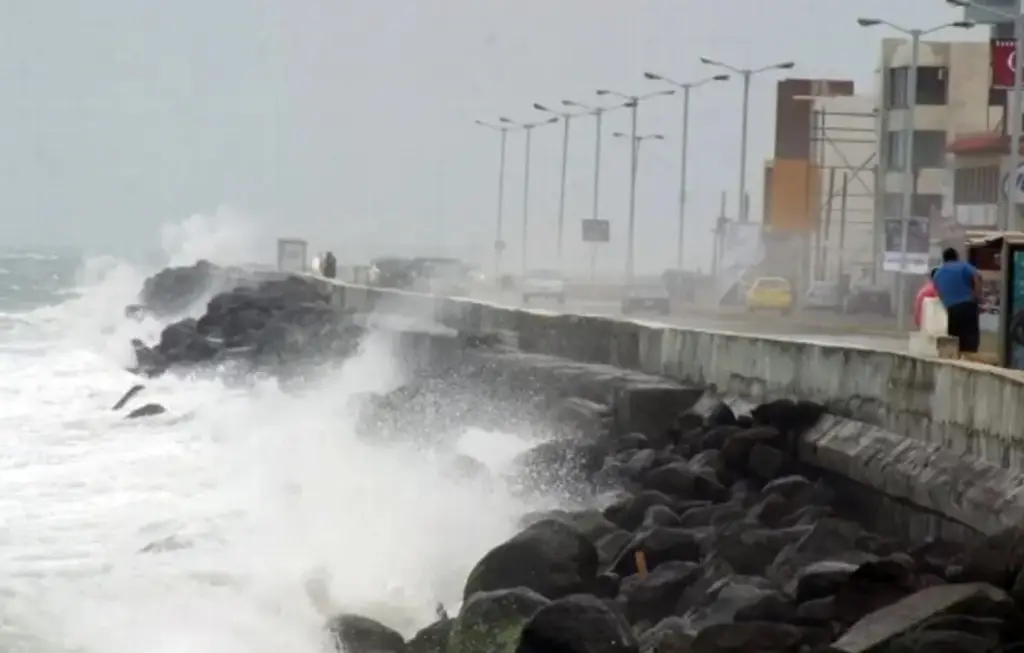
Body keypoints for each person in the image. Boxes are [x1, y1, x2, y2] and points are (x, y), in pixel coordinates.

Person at [932, 247, 982, 354]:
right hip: (968, 305)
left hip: (952, 309)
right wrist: (976, 295)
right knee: (970, 337)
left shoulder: (937, 273)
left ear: (944, 259)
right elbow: (976, 275)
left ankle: (956, 358)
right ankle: (969, 358)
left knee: (954, 338)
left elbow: (939, 292)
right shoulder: (964, 266)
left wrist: (946, 304)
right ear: (957, 257)